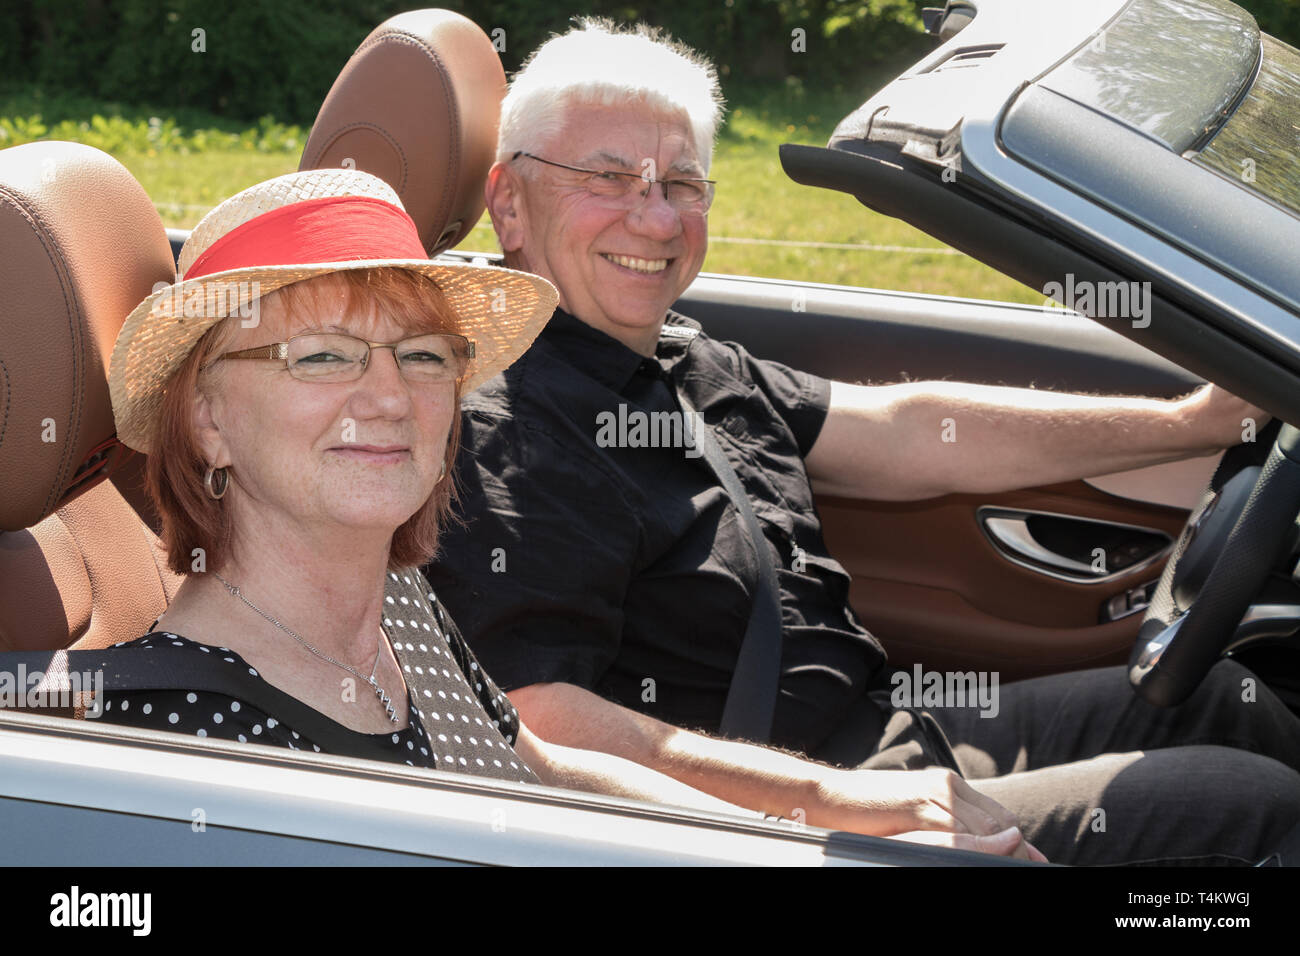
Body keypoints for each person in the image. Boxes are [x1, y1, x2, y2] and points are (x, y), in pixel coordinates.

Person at [423, 19, 1300, 865]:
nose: (655, 221)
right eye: (609, 179)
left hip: (878, 737)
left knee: (1228, 700)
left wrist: (1194, 423)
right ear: (510, 201)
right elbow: (531, 714)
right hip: (771, 816)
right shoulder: (510, 426)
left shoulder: (685, 359)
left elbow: (908, 432)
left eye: (681, 185)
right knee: (1254, 809)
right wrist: (830, 802)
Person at [91, 166, 814, 824]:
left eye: (425, 355)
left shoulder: (399, 604)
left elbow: (540, 767)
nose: (389, 397)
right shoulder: (177, 736)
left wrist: (772, 834)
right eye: (320, 356)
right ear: (208, 421)